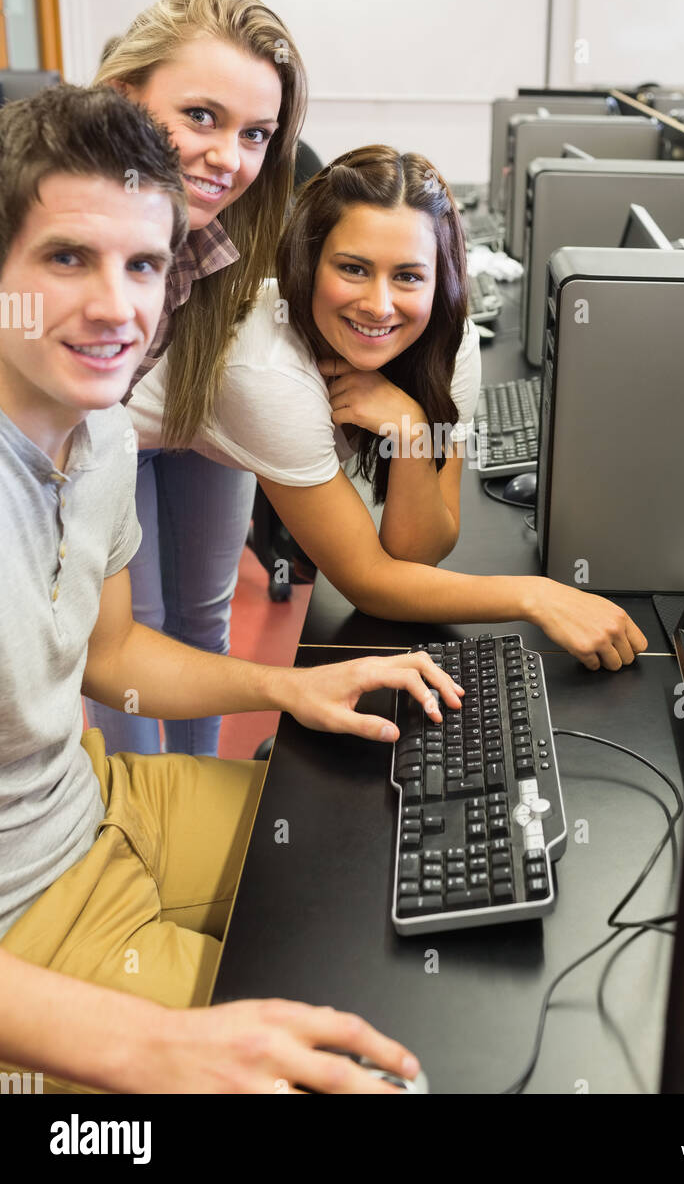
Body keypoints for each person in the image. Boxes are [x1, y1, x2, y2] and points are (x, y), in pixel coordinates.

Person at [0, 85, 460, 1093]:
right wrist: (149, 1046)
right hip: (23, 923)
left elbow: (113, 659)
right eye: (68, 257)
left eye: (142, 265)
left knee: (389, 853)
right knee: (355, 1064)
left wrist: (285, 690)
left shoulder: (101, 430)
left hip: (99, 803)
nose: (118, 307)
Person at [130, 145, 649, 667]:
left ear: (439, 278)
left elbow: (416, 553)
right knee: (138, 628)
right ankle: (128, 753)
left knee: (199, 620)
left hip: (209, 418)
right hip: (122, 415)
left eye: (408, 276)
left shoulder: (452, 347)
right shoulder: (268, 373)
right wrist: (537, 597)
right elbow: (372, 584)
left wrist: (414, 433)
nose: (379, 306)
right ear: (308, 264)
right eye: (353, 269)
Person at [85, 0, 308, 759]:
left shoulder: (228, 227)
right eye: (201, 117)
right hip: (101, 435)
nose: (229, 159)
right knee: (130, 629)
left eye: (257, 134)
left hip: (185, 420)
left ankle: (196, 786)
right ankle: (143, 816)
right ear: (123, 96)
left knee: (205, 616)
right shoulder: (61, 228)